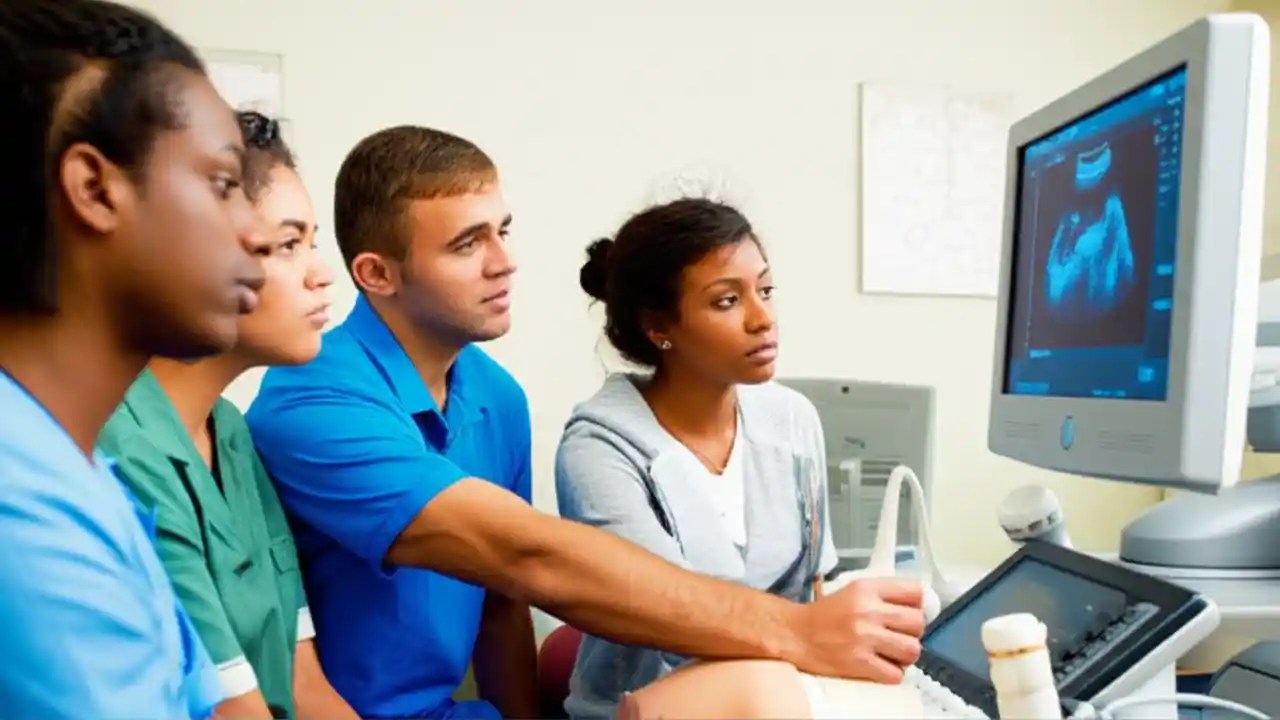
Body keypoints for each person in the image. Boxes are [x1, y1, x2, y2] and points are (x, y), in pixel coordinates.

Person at [245, 125, 926, 720]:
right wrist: (801, 633)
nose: (505, 261)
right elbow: (524, 557)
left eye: (503, 231)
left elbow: (503, 604)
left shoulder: (494, 395)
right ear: (377, 274)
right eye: (466, 244)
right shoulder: (313, 401)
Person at [0, 1, 268, 716]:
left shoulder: (81, 472)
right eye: (222, 183)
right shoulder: (22, 513)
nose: (253, 230)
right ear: (95, 188)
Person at [98, 111, 359, 720]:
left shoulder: (232, 431)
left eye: (312, 244)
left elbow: (303, 685)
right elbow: (232, 710)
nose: (322, 274)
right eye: (289, 244)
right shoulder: (115, 444)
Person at [554, 197, 850, 717]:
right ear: (658, 328)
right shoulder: (599, 450)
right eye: (726, 301)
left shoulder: (792, 418)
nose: (763, 319)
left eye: (765, 290)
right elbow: (674, 622)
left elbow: (814, 592)